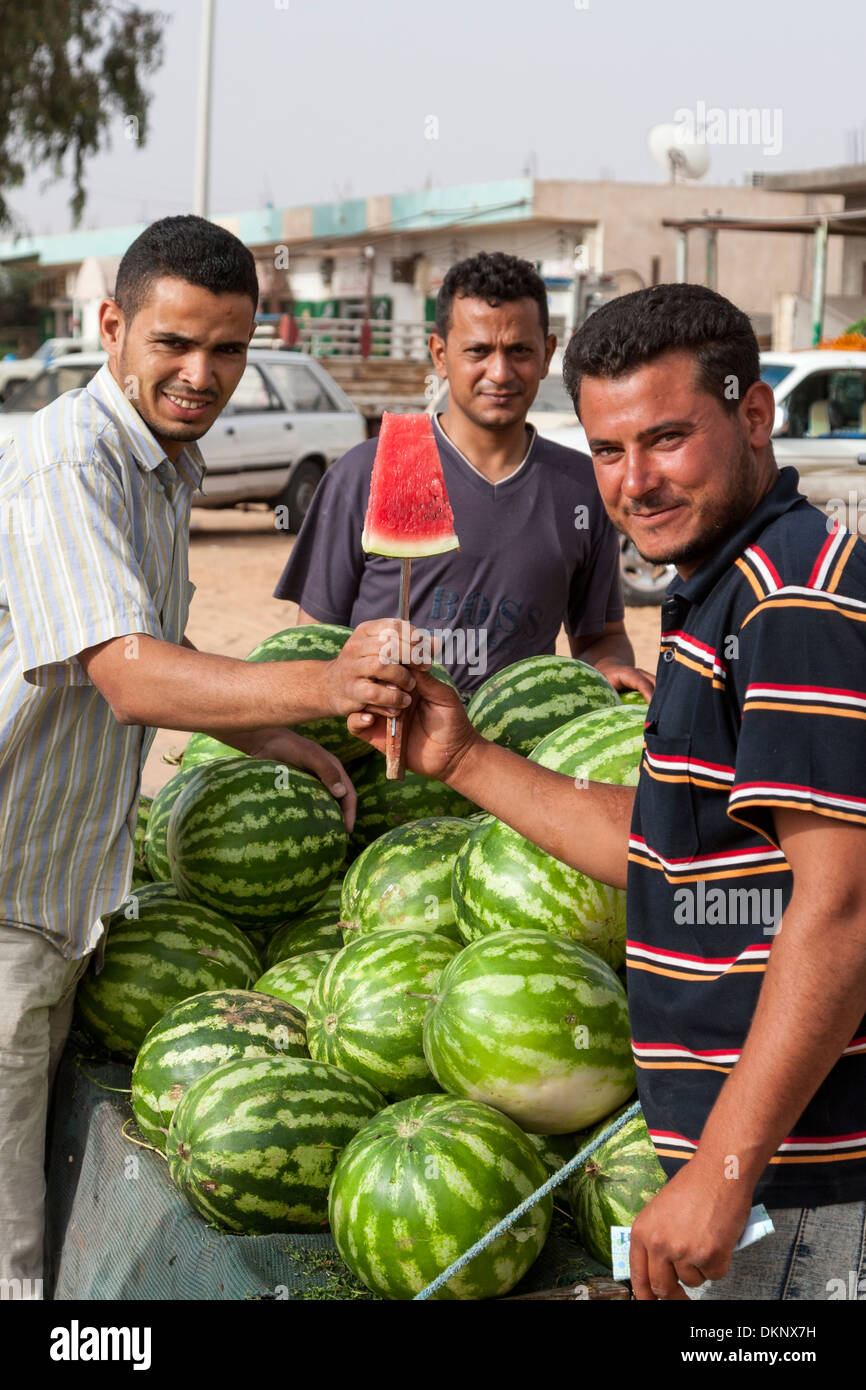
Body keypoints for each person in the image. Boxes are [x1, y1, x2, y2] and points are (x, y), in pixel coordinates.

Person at [348, 283, 866, 1302]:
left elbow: (840, 909)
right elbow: (674, 845)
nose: (634, 481)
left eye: (666, 438)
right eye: (606, 449)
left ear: (751, 416)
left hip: (803, 1188)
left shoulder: (793, 602)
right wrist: (463, 758)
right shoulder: (724, 583)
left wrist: (722, 1168)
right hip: (761, 1172)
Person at [0, 215, 415, 1296]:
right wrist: (326, 684)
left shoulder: (162, 467)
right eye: (174, 343)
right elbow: (129, 672)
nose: (200, 374)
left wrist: (264, 731)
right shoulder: (66, 461)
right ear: (111, 327)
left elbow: (162, 652)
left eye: (226, 350)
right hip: (4, 908)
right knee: (7, 1255)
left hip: (57, 903)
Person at [274, 251, 654, 700]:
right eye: (477, 351)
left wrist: (610, 668)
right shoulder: (367, 473)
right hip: (384, 758)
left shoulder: (581, 488)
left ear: (548, 353)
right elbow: (313, 647)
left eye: (520, 351)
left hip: (516, 762)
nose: (500, 372)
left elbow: (599, 638)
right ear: (440, 354)